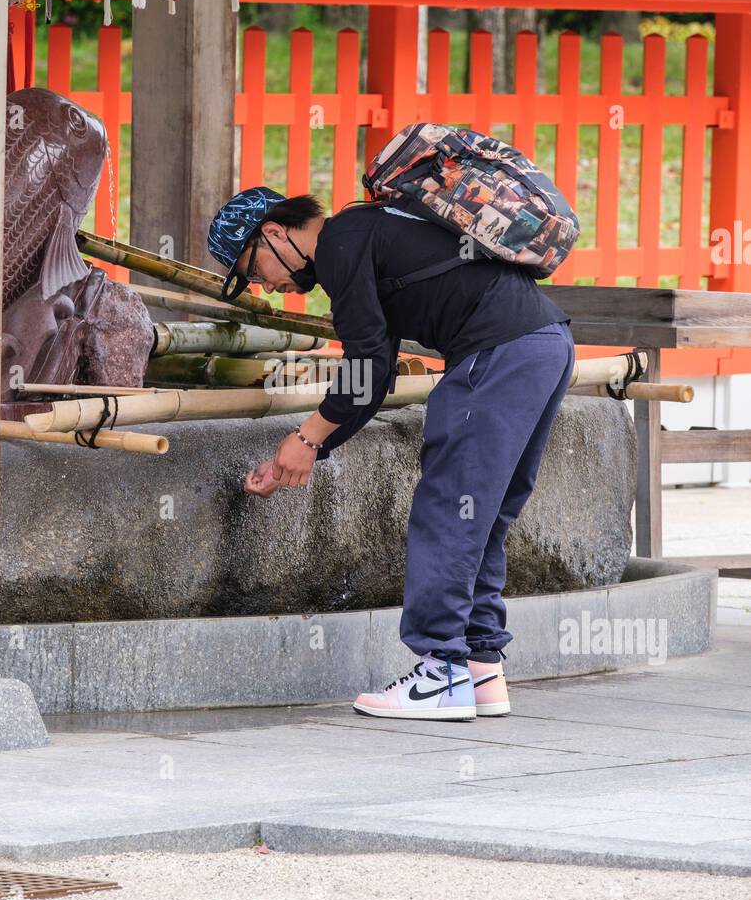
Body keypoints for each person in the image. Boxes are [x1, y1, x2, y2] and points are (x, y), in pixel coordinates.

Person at [207, 185, 576, 722]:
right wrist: (317, 442)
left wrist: (306, 438)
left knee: (449, 510)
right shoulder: (370, 227)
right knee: (483, 514)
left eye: (254, 266)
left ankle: (440, 671)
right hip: (545, 343)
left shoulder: (341, 243)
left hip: (496, 352)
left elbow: (365, 368)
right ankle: (479, 668)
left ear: (273, 231)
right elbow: (371, 376)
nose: (267, 283)